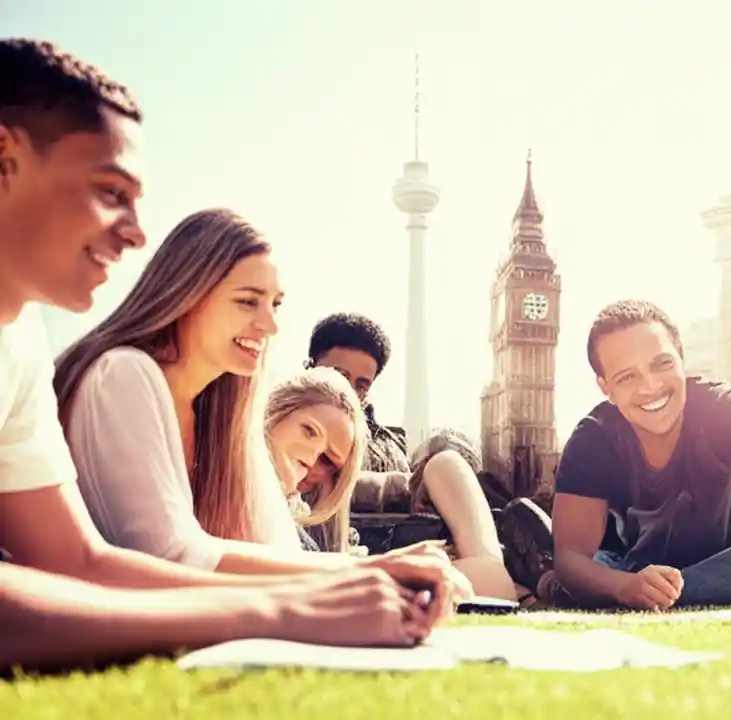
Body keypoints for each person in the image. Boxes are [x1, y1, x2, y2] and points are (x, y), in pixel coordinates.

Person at [0, 38, 447, 670]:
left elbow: (75, 561)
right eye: (109, 191)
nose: (136, 233)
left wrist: (346, 581)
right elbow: (152, 555)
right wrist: (286, 608)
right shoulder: (122, 373)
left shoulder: (18, 342)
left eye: (275, 303)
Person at [53, 207, 473, 603]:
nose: (270, 325)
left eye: (275, 304)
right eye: (247, 301)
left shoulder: (228, 417)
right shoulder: (123, 374)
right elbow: (168, 555)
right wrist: (370, 570)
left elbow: (276, 547)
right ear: (188, 292)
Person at [536, 300, 731, 610]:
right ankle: (624, 592)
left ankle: (647, 598)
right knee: (589, 569)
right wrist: (624, 587)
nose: (651, 386)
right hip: (637, 568)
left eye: (662, 364)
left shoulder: (727, 412)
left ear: (682, 360)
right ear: (606, 388)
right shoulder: (593, 439)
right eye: (627, 377)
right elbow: (572, 557)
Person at [305, 313, 525, 600]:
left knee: (447, 461)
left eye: (361, 385)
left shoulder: (385, 443)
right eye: (339, 375)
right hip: (336, 566)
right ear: (310, 369)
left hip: (394, 546)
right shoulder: (282, 427)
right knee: (492, 581)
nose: (348, 391)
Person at [264, 367, 367, 555]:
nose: (311, 458)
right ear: (275, 410)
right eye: (309, 431)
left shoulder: (304, 541)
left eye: (327, 460)